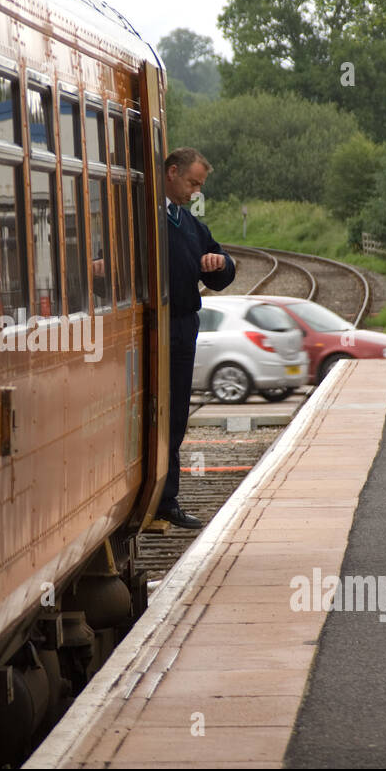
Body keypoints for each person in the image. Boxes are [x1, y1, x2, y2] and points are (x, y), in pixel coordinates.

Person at [157, 148, 235, 529]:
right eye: (192, 183)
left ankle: (166, 498)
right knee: (158, 412)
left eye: (199, 185)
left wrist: (221, 264)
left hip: (184, 327)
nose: (195, 192)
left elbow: (220, 261)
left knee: (175, 415)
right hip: (156, 326)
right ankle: (158, 496)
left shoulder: (186, 222)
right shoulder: (142, 217)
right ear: (172, 172)